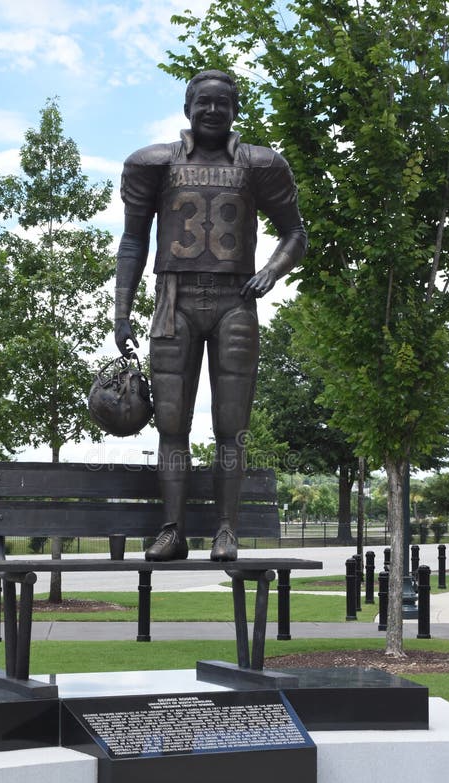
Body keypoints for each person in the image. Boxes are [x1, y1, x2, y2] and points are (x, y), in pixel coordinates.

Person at [114, 69, 307, 562]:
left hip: (233, 300)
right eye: (204, 102)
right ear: (188, 107)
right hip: (173, 299)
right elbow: (134, 239)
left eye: (223, 103)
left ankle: (226, 529)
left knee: (231, 424)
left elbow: (295, 234)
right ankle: (172, 530)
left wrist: (270, 272)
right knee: (171, 422)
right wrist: (121, 309)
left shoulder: (260, 164)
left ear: (236, 109)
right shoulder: (154, 163)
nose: (214, 111)